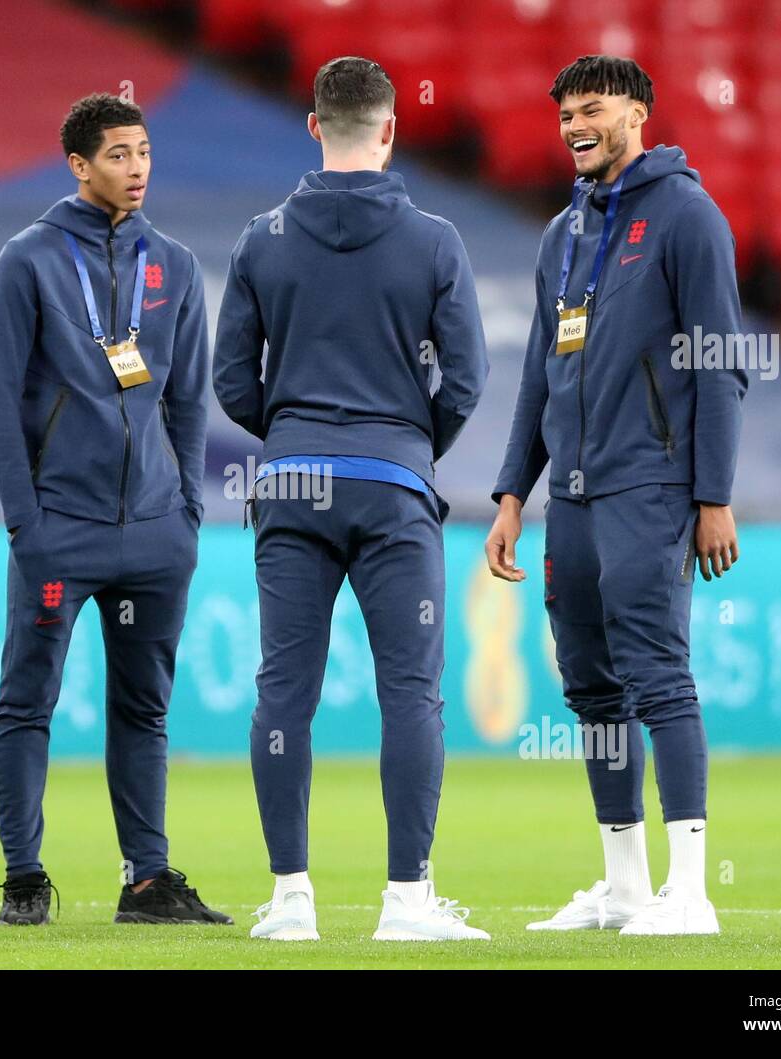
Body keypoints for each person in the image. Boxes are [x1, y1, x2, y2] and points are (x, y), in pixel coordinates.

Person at [214, 57, 490, 942]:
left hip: (291, 483)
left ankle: (291, 900)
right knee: (411, 694)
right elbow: (468, 379)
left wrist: (295, 435)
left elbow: (230, 380)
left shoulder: (261, 239)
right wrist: (409, 444)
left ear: (313, 127)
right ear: (391, 129)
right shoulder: (436, 239)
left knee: (281, 692)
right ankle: (406, 902)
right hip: (395, 486)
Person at [485, 56, 749, 935]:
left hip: (653, 486)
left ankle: (693, 892)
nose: (573, 127)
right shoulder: (561, 233)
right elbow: (538, 372)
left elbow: (721, 364)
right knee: (593, 692)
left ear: (638, 112)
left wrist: (713, 494)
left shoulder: (687, 215)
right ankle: (626, 884)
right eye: (564, 114)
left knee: (658, 677)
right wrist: (513, 492)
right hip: (574, 500)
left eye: (590, 109)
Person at [0, 93, 228, 927]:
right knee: (27, 701)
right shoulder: (30, 259)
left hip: (155, 532)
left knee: (145, 709)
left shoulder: (177, 265)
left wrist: (186, 514)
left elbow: (189, 402)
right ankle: (22, 874)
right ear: (79, 165)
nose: (137, 168)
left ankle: (147, 880)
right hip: (62, 531)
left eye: (145, 151)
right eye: (118, 155)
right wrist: (27, 526)